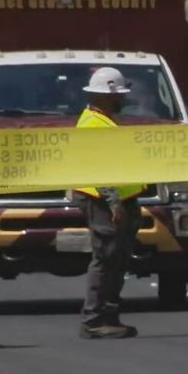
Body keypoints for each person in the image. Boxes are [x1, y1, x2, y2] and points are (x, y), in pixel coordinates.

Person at [72, 67, 145, 339]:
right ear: (104, 97)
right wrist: (114, 202)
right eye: (118, 95)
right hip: (103, 201)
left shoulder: (103, 120)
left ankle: (109, 316)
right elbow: (96, 167)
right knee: (105, 258)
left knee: (117, 259)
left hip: (120, 200)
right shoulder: (93, 124)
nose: (122, 100)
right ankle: (93, 319)